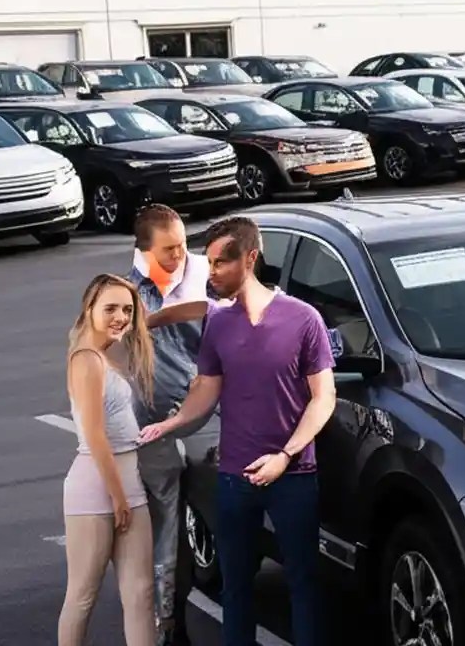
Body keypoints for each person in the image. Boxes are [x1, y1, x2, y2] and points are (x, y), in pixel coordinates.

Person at [140, 216, 337, 646]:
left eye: (219, 263)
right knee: (236, 587)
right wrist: (171, 424)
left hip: (294, 475)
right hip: (234, 476)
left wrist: (285, 456)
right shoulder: (220, 323)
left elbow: (323, 398)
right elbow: (207, 390)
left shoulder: (304, 320)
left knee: (303, 583)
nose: (209, 273)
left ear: (250, 258)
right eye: (208, 262)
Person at [126, 204, 211, 646]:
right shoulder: (125, 294)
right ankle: (167, 625)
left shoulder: (202, 272)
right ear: (143, 249)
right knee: (166, 530)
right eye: (168, 250)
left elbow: (212, 308)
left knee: (218, 515)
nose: (179, 255)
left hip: (210, 416)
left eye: (182, 244)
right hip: (154, 425)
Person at [59, 274, 157, 646]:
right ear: (89, 310)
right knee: (82, 596)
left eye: (128, 310)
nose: (121, 317)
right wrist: (117, 497)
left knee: (141, 593)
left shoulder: (103, 357)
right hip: (97, 488)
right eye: (111, 308)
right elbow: (94, 434)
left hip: (128, 485)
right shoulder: (86, 359)